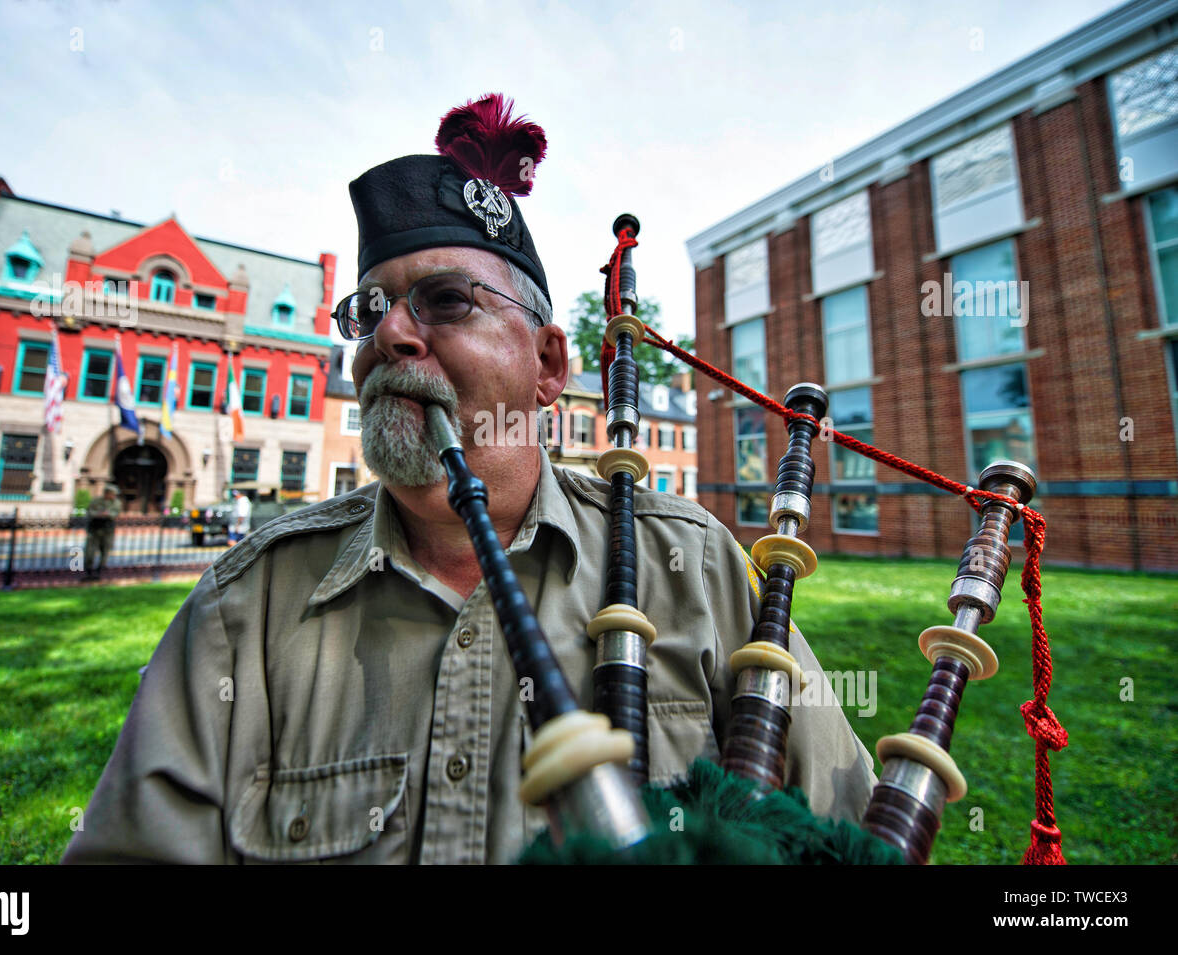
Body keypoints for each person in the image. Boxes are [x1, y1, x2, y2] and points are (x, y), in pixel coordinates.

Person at [63, 94, 877, 865]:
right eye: (369, 308)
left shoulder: (696, 571)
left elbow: (849, 838)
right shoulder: (246, 607)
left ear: (549, 364)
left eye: (445, 301)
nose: (387, 335)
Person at [84, 485, 121, 580]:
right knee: (90, 551)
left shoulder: (116, 503)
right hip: (95, 529)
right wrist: (98, 514)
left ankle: (100, 570)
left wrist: (107, 514)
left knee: (105, 550)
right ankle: (88, 570)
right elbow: (90, 512)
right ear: (107, 493)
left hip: (108, 530)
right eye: (112, 494)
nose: (114, 496)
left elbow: (115, 513)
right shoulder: (96, 501)